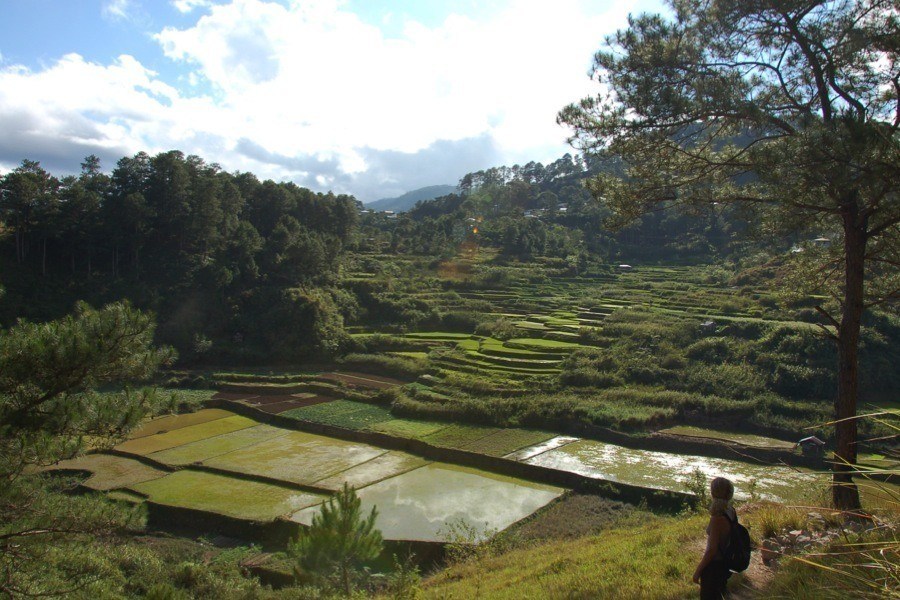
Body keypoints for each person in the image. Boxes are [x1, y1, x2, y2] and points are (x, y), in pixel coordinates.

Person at [692, 477, 736, 599]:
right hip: (726, 563)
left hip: (714, 567)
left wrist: (698, 571)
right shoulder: (731, 511)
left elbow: (712, 550)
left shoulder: (717, 519)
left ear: (713, 493)